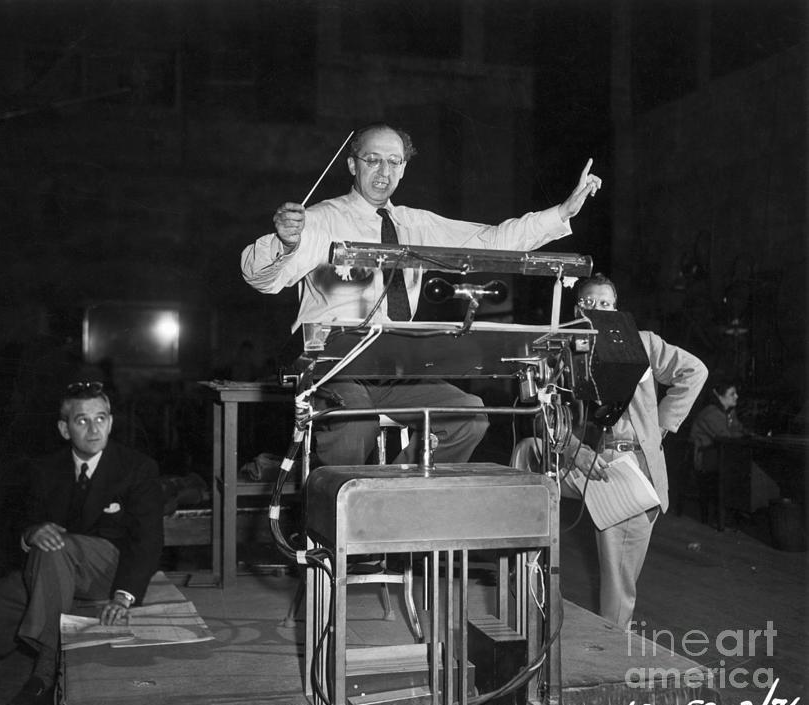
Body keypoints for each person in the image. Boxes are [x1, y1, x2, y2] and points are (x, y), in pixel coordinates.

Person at [240, 122, 602, 466]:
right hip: (334, 367)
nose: (384, 171)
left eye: (394, 162)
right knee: (355, 423)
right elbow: (262, 279)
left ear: (403, 170)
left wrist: (561, 213)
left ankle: (394, 499)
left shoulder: (415, 224)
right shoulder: (319, 220)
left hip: (396, 368)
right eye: (373, 160)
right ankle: (337, 519)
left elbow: (492, 241)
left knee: (468, 417)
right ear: (352, 164)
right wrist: (286, 243)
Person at [0, 382, 163, 705]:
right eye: (82, 421)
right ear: (63, 428)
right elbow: (20, 523)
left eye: (101, 418)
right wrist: (29, 532)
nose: (94, 428)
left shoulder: (137, 468)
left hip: (110, 572)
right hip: (51, 574)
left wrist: (123, 597)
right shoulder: (43, 469)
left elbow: (148, 541)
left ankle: (43, 673)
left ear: (111, 422)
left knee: (57, 546)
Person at [513, 274, 707, 629]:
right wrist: (574, 451)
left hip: (630, 471)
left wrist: (659, 427)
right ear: (577, 310)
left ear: (617, 310)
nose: (598, 310)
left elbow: (694, 371)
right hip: (584, 462)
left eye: (606, 304)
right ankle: (522, 569)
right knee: (528, 450)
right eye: (590, 303)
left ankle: (612, 648)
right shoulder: (562, 354)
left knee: (618, 582)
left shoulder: (643, 343)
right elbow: (545, 415)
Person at [689, 378, 747, 473]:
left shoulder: (729, 412)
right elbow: (726, 436)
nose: (736, 396)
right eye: (732, 394)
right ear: (719, 396)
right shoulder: (710, 413)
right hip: (706, 459)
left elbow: (739, 429)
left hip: (718, 456)